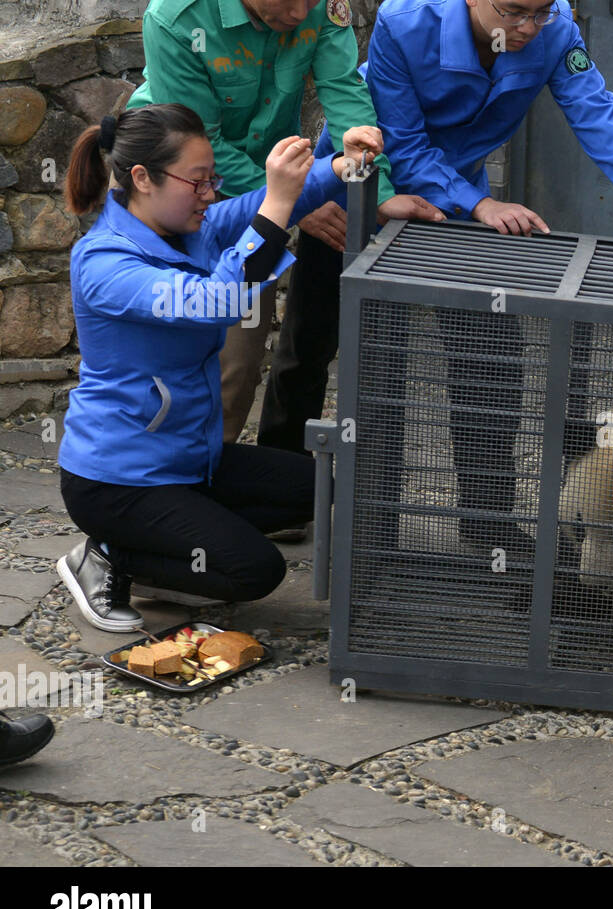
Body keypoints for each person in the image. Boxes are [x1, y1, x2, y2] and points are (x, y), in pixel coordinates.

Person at [257, 0, 613, 552]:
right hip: (367, 186)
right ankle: (280, 498)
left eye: (541, 12)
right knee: (311, 340)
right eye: (514, 12)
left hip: (458, 204)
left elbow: (598, 113)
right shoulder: (404, 21)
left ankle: (486, 520)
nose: (528, 27)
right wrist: (480, 204)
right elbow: (402, 140)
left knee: (489, 354)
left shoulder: (555, 30)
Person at [55, 103, 380, 632]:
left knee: (318, 484)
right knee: (255, 570)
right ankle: (112, 554)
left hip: (188, 461)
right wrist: (276, 201)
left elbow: (264, 206)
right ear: (142, 178)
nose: (210, 194)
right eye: (198, 181)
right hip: (117, 482)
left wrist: (342, 167)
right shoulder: (104, 264)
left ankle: (178, 540)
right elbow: (217, 302)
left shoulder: (187, 228)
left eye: (213, 180)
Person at [128, 0, 442, 449]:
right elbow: (201, 141)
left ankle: (218, 485)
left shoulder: (323, 8)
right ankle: (156, 484)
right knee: (190, 351)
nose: (299, 14)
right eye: (286, 1)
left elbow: (344, 92)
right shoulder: (177, 17)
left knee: (241, 356)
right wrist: (292, 200)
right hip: (177, 188)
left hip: (272, 188)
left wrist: (379, 192)